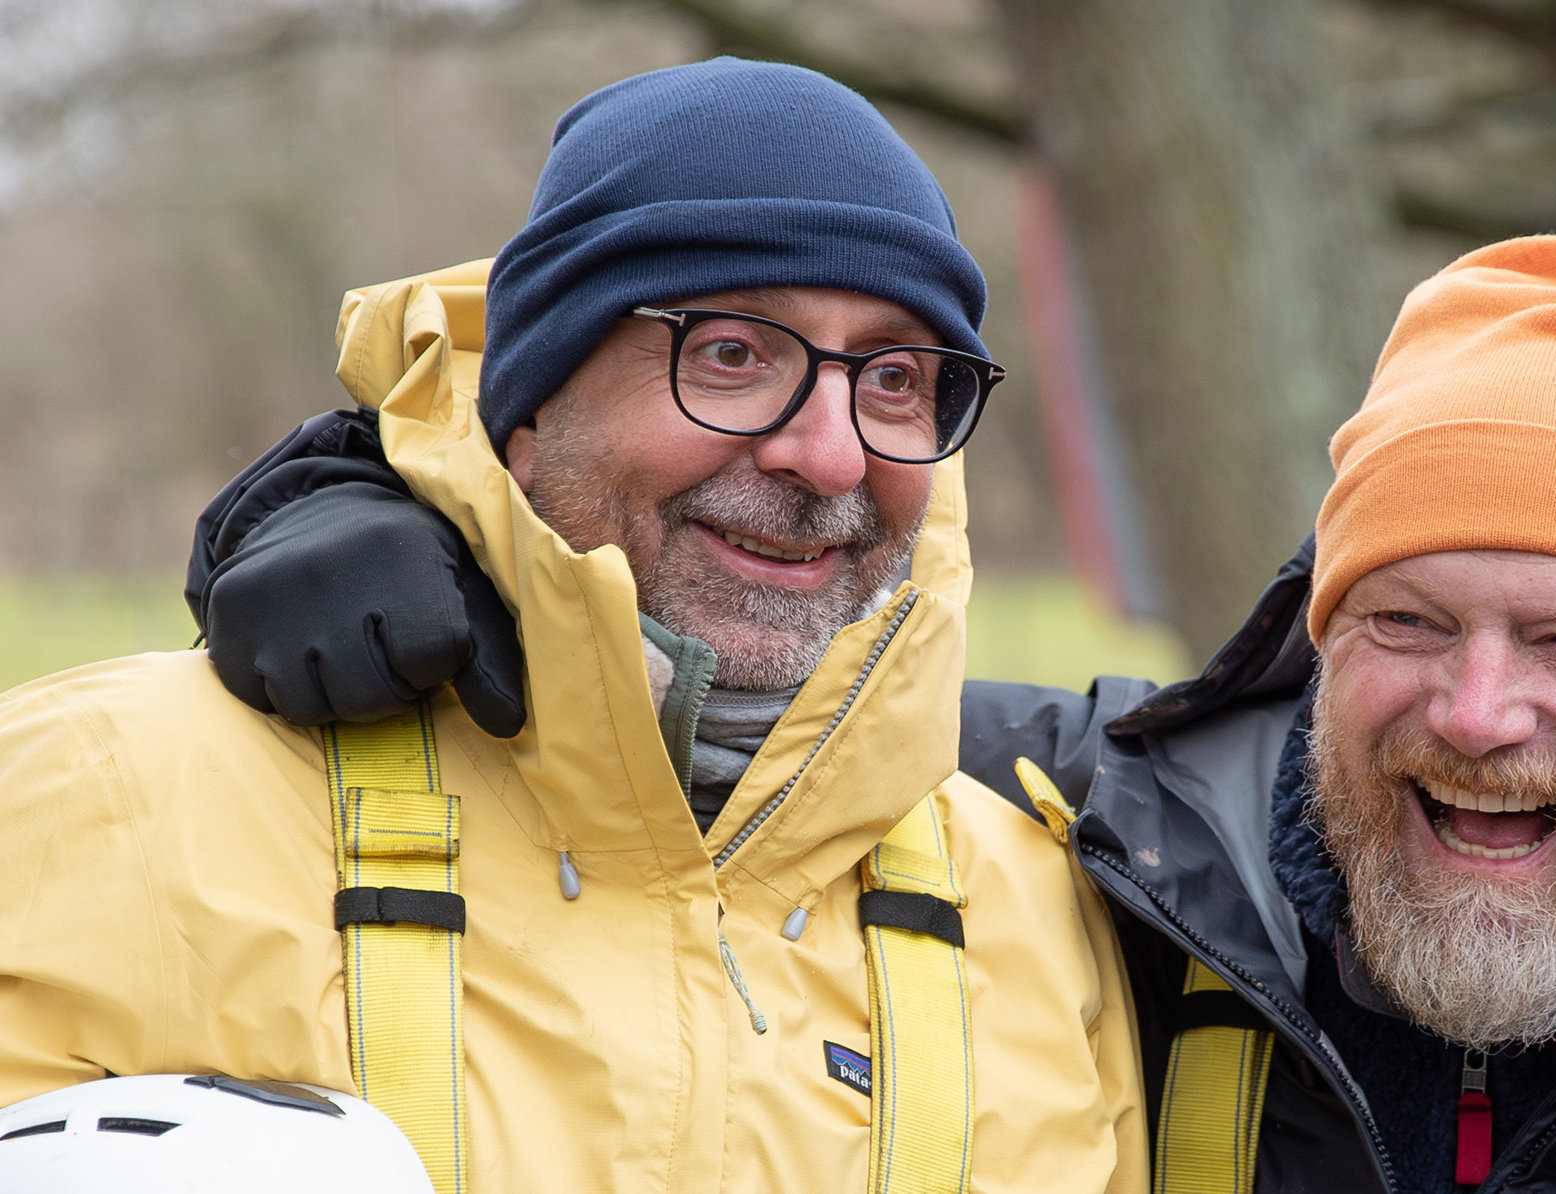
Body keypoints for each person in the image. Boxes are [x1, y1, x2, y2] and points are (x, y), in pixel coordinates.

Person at [174, 237, 1556, 1192]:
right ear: (1311, 638)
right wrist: (369, 496)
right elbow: (696, 719)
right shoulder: (1118, 859)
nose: (1477, 711)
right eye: (1408, 619)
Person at [0, 59, 1144, 1194]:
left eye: (893, 377)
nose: (830, 454)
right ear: (531, 416)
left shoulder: (1034, 916)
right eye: (733, 354)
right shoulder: (103, 796)